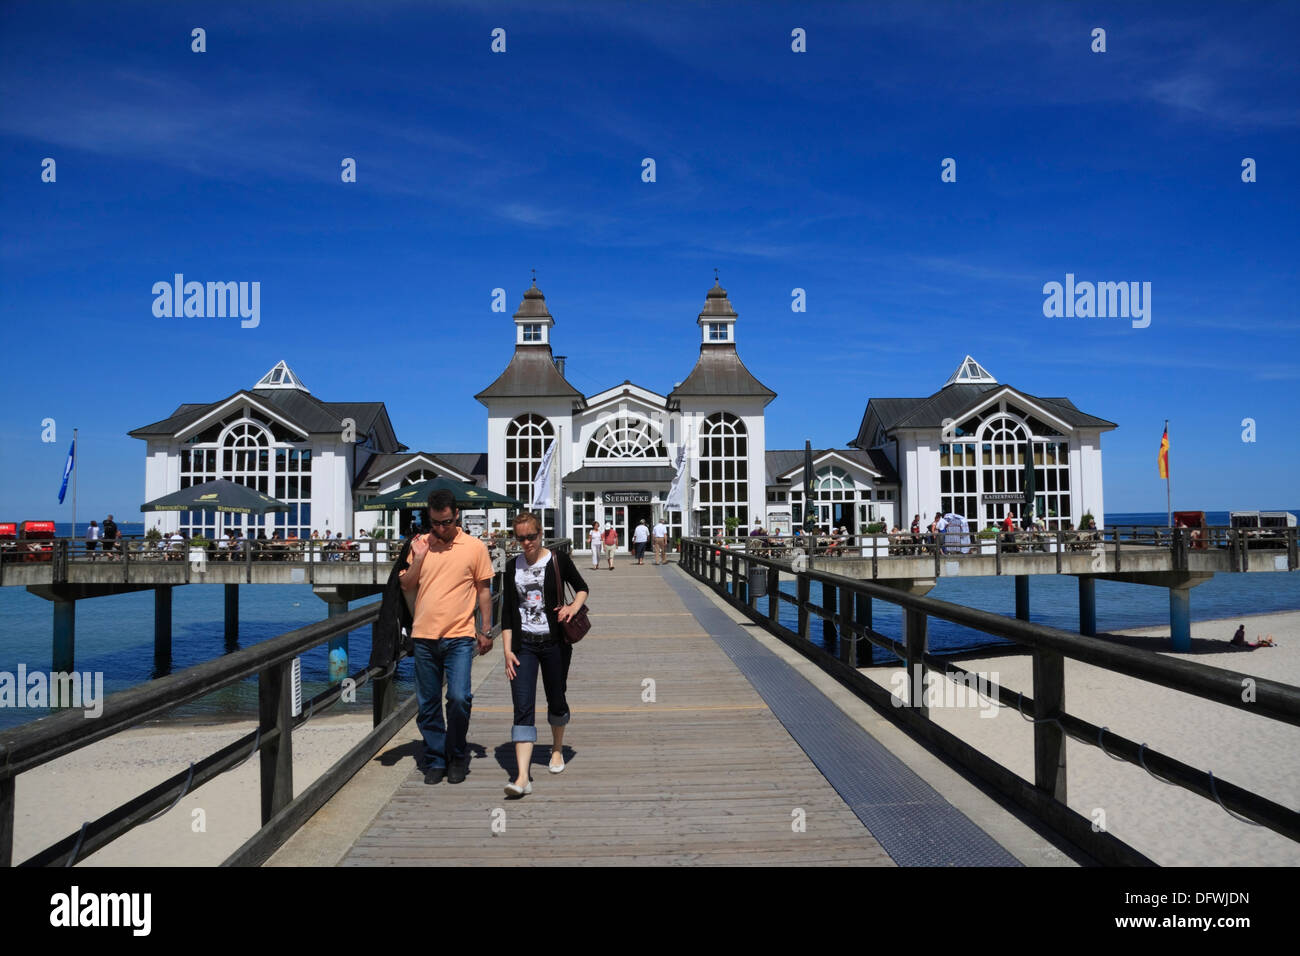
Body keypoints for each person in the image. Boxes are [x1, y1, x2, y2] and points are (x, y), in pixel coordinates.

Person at [400, 488, 494, 785]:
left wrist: (486, 629)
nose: (441, 529)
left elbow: (483, 590)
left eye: (447, 522)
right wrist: (418, 558)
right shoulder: (419, 544)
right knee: (428, 702)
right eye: (435, 523)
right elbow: (406, 584)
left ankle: (456, 753)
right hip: (424, 636)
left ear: (457, 516)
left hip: (460, 636)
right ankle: (436, 758)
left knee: (458, 697)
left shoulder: (474, 547)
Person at [501, 511, 588, 797]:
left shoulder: (558, 560)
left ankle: (557, 749)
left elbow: (582, 588)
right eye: (520, 538)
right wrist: (506, 652)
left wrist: (572, 608)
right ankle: (523, 777)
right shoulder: (512, 567)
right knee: (522, 705)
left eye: (531, 537)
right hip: (523, 645)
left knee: (556, 698)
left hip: (554, 643)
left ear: (541, 535)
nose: (525, 542)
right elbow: (507, 614)